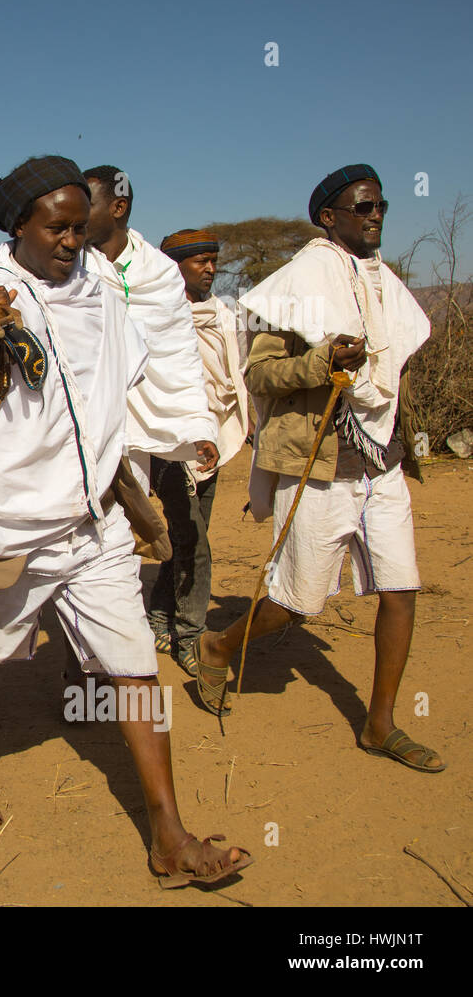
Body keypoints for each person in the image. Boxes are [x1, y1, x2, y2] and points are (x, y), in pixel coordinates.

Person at [0, 155, 252, 886]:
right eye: (58, 227)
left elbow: (127, 386)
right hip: (2, 528)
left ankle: (168, 833)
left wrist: (179, 433)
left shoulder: (102, 296)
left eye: (82, 226)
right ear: (17, 226)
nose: (76, 242)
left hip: (92, 519)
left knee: (134, 661)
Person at [192, 166, 443, 773]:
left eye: (380, 205)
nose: (375, 215)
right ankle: (219, 645)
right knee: (296, 604)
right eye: (362, 208)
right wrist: (323, 361)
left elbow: (391, 367)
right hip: (320, 463)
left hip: (380, 463)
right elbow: (260, 375)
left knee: (401, 589)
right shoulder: (295, 286)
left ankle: (379, 725)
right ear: (329, 217)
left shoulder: (384, 284)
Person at [147, 230, 251, 672]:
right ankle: (191, 637)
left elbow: (235, 376)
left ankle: (157, 620)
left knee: (187, 537)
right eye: (200, 262)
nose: (210, 269)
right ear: (174, 268)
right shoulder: (155, 317)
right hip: (166, 442)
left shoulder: (222, 316)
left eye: (213, 261)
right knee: (194, 541)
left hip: (213, 438)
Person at [82, 165, 218, 494]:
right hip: (78, 428)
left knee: (128, 532)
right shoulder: (68, 264)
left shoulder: (160, 273)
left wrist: (198, 424)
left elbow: (179, 354)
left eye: (85, 204)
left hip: (136, 437)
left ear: (118, 207)